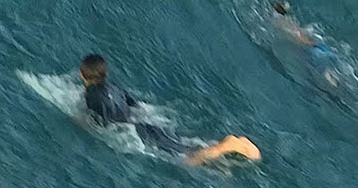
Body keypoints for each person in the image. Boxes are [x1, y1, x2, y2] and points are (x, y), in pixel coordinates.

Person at [79, 54, 261, 166]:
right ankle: (225, 149)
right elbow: (135, 106)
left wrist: (81, 123)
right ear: (106, 73)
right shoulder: (115, 86)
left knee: (187, 161)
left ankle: (226, 146)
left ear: (82, 74)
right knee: (182, 145)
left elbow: (96, 121)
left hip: (133, 131)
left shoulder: (90, 94)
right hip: (145, 125)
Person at [271, 1, 358, 88]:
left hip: (314, 54)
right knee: (350, 69)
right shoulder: (293, 24)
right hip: (323, 49)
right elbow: (306, 36)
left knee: (337, 79)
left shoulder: (281, 23)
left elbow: (300, 41)